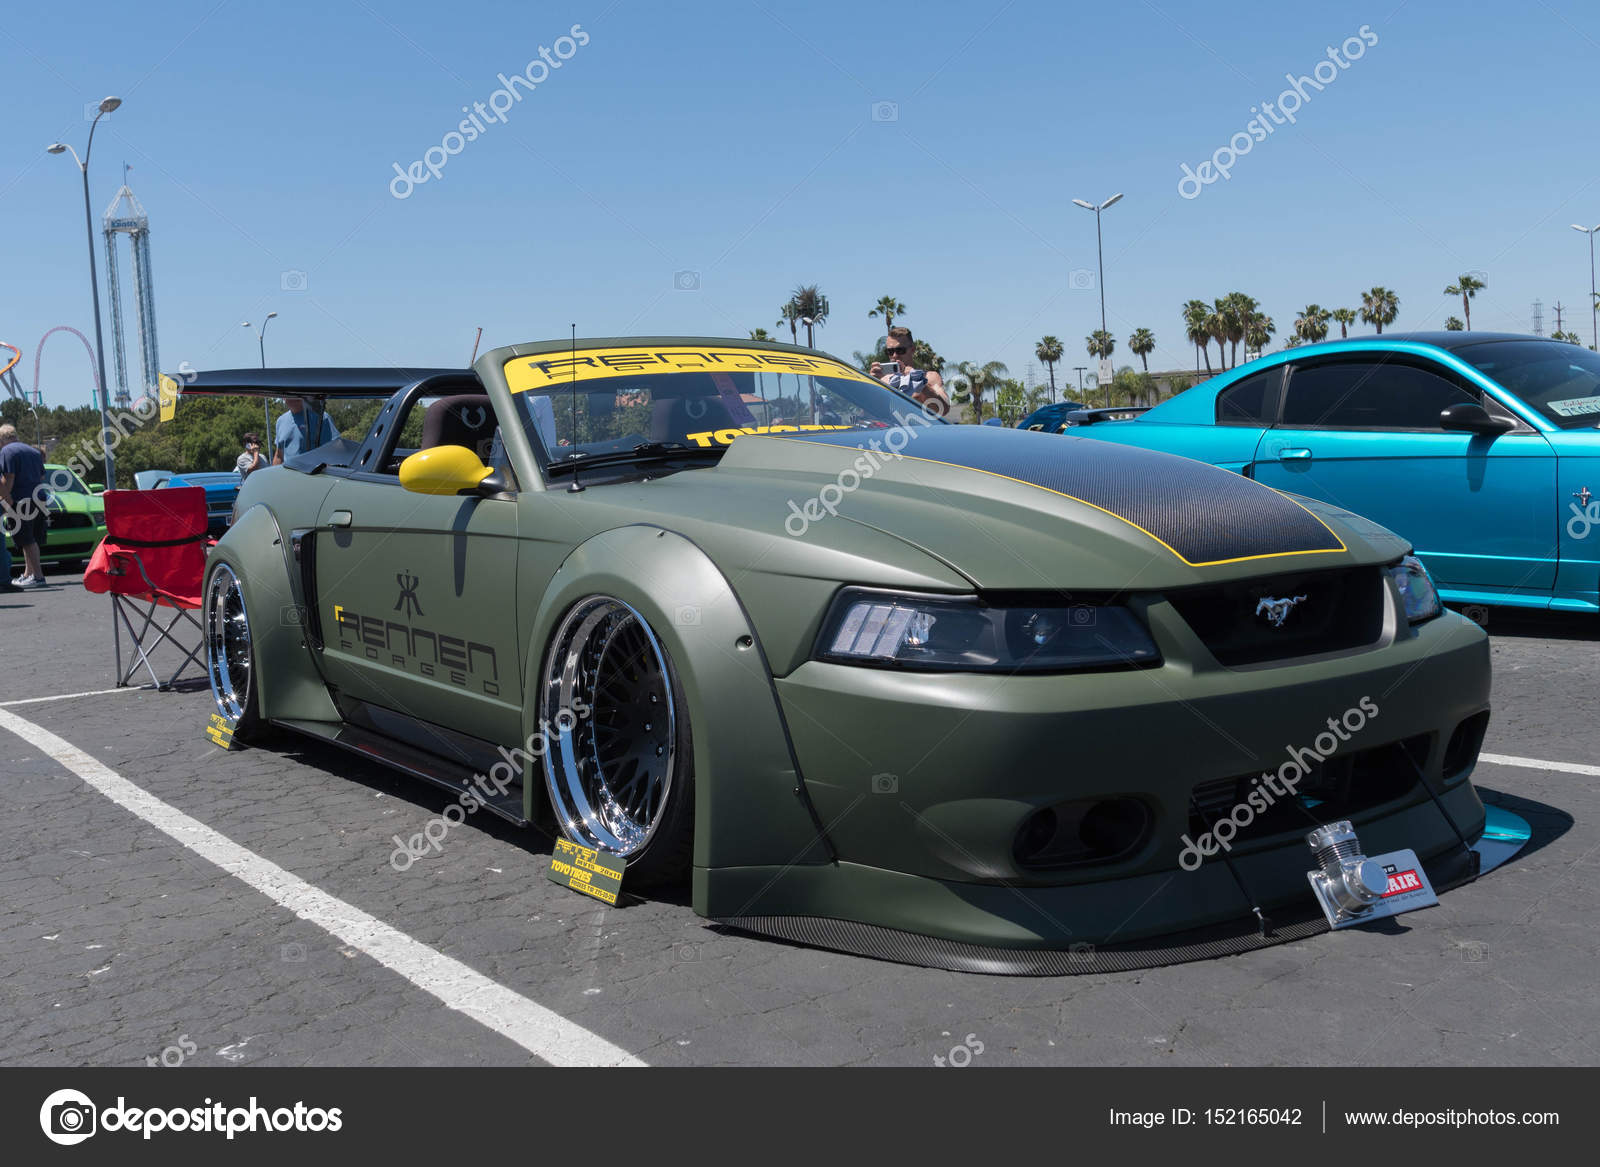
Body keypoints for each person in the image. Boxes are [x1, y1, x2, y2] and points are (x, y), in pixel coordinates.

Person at [0, 424, 48, 587]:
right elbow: (42, 476)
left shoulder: (6, 452)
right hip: (39, 498)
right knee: (32, 538)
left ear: (2, 439)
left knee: (26, 540)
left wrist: (5, 500)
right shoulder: (33, 451)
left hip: (20, 500)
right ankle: (29, 574)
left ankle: (38, 577)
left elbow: (9, 477)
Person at [869, 326, 949, 416]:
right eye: (890, 351)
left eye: (900, 350)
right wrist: (869, 385)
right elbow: (865, 412)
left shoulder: (929, 377)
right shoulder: (883, 380)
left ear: (912, 350)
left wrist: (920, 382)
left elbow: (944, 409)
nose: (895, 356)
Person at [272, 398, 340, 464]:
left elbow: (334, 453)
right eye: (289, 393)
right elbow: (279, 456)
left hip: (315, 474)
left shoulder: (322, 418)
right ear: (283, 397)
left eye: (297, 391)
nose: (293, 397)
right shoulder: (281, 421)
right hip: (288, 475)